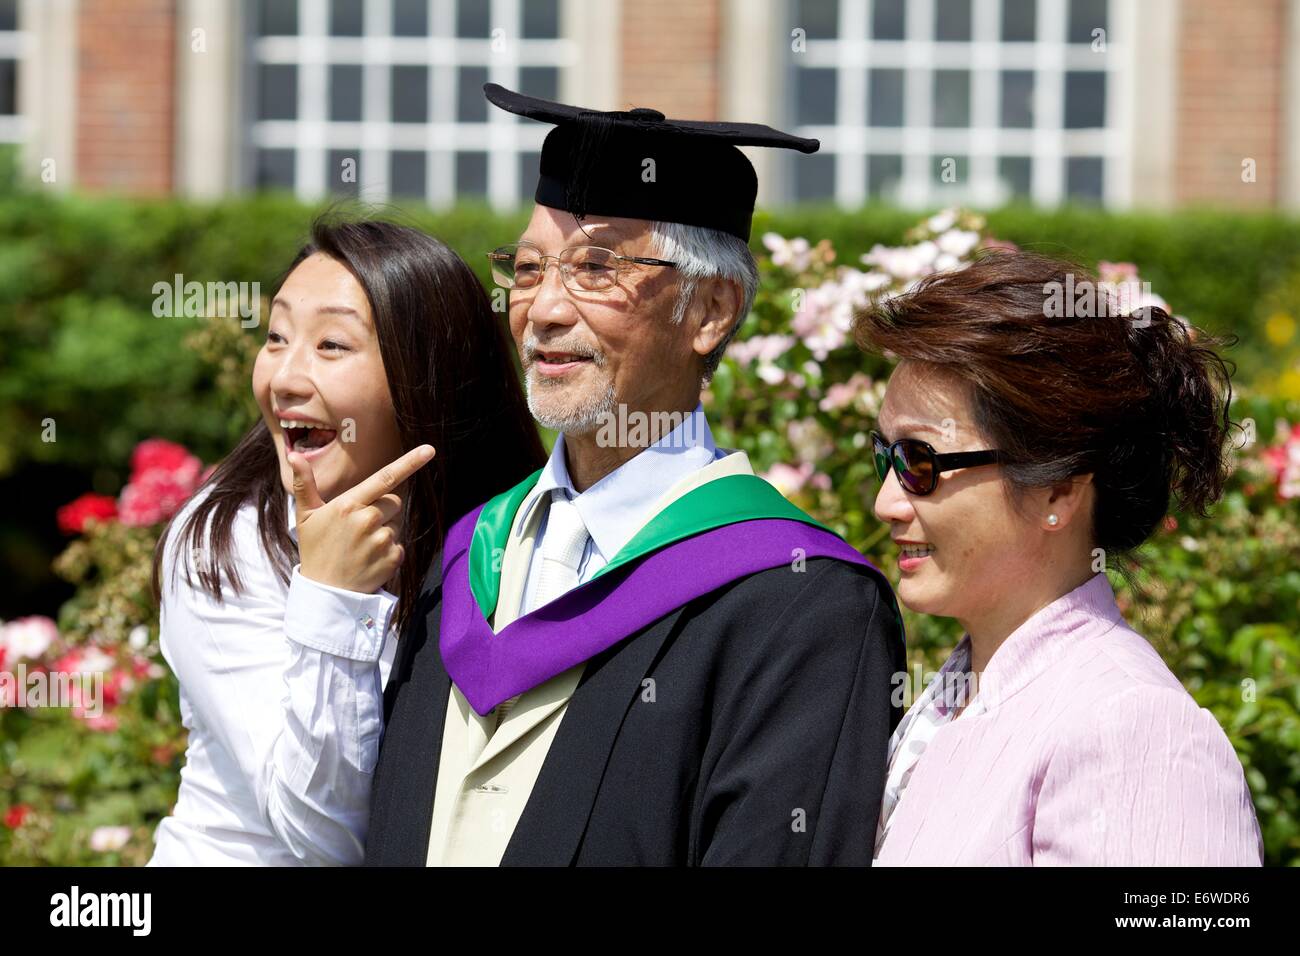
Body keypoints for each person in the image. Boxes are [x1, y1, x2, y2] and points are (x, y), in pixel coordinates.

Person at [364, 84, 907, 866]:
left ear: (711, 310)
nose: (543, 309)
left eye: (595, 267)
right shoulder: (465, 557)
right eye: (526, 268)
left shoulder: (800, 603)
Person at [147, 218, 545, 865]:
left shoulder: (507, 535)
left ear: (429, 375)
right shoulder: (225, 544)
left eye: (331, 345)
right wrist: (331, 596)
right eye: (276, 338)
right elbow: (323, 838)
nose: (284, 379)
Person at [857, 250, 1264, 865]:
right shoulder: (961, 695)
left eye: (921, 463)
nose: (887, 502)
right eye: (884, 456)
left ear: (1058, 489)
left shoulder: (1130, 732)